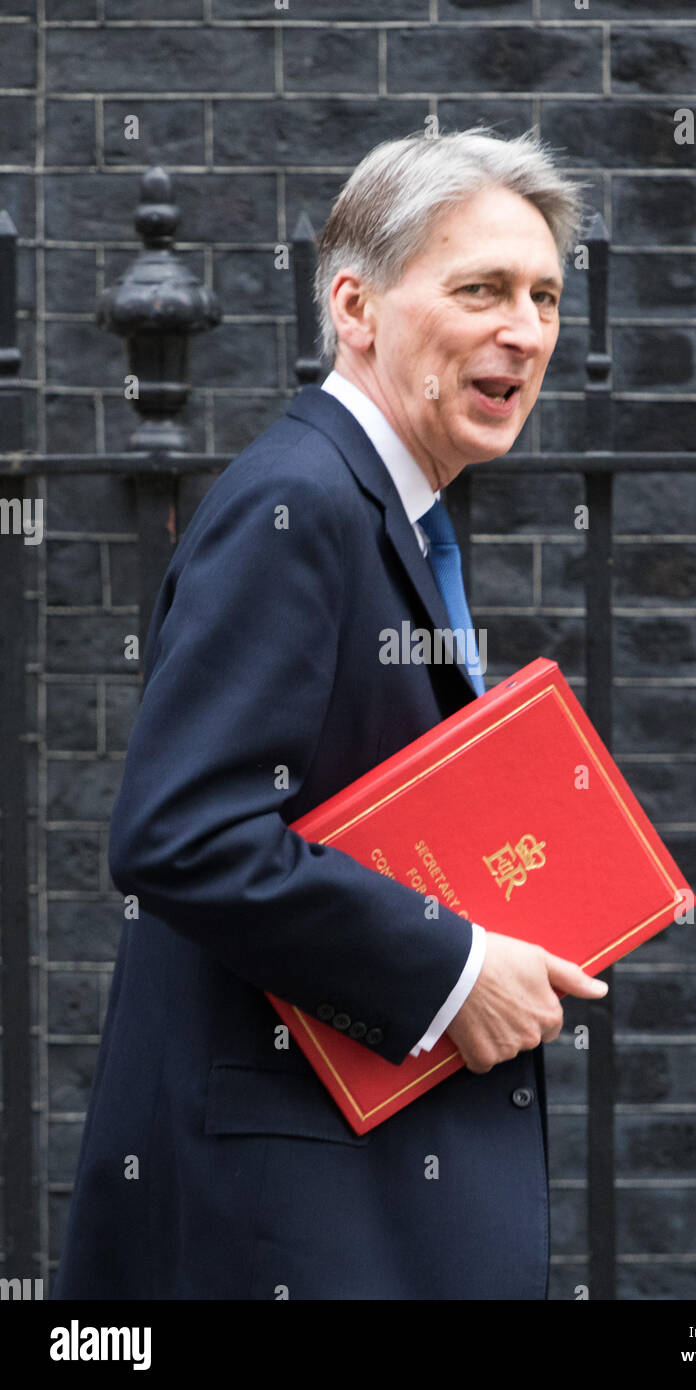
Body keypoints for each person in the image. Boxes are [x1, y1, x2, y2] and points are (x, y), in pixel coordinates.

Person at [52, 127, 608, 1301]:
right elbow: (180, 837)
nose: (526, 328)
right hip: (290, 1223)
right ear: (354, 305)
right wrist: (453, 969)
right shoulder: (300, 502)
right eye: (481, 289)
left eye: (545, 295)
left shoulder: (380, 514)